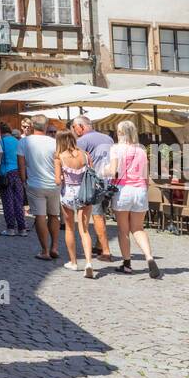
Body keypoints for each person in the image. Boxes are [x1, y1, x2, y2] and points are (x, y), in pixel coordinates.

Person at [104, 118, 161, 277]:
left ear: (120, 133)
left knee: (123, 231)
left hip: (123, 190)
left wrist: (103, 170)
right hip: (140, 191)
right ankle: (149, 257)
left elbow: (113, 171)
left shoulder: (116, 149)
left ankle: (127, 264)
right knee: (138, 228)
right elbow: (146, 177)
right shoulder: (142, 150)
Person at [71, 115, 118, 261]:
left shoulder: (82, 141)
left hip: (93, 183)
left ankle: (106, 251)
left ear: (81, 127)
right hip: (108, 181)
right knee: (101, 215)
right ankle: (99, 245)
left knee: (97, 216)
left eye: (74, 127)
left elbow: (77, 162)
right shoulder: (108, 139)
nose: (74, 130)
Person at [54, 128, 96, 278]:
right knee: (84, 229)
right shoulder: (85, 155)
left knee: (70, 228)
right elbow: (92, 172)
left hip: (68, 194)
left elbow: (58, 180)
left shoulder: (60, 157)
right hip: (84, 192)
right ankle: (89, 262)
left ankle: (73, 262)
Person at [17, 114, 59, 260]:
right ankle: (54, 247)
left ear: (33, 126)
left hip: (35, 184)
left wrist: (24, 180)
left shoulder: (24, 142)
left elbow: (21, 165)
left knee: (40, 216)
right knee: (54, 215)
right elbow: (59, 163)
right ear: (46, 126)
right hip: (54, 184)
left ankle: (45, 250)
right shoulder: (55, 142)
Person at [0, 122, 26, 236]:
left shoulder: (0, 142)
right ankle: (22, 228)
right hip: (17, 173)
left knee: (8, 201)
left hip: (5, 173)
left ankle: (10, 228)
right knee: (18, 201)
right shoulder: (17, 141)